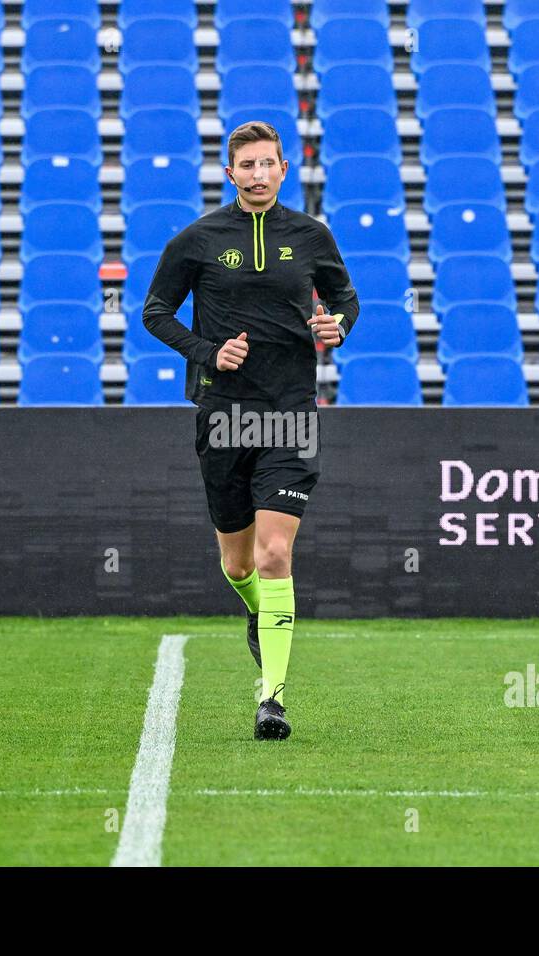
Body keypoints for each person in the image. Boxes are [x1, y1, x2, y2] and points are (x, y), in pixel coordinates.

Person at [142, 121, 360, 740]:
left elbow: (346, 300)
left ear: (283, 170)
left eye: (270, 164)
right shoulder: (199, 239)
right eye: (249, 165)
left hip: (291, 411)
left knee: (274, 552)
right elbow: (155, 312)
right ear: (230, 172)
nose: (259, 174)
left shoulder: (311, 235)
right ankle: (257, 611)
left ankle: (273, 699)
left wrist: (335, 326)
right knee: (237, 564)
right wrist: (208, 352)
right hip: (223, 414)